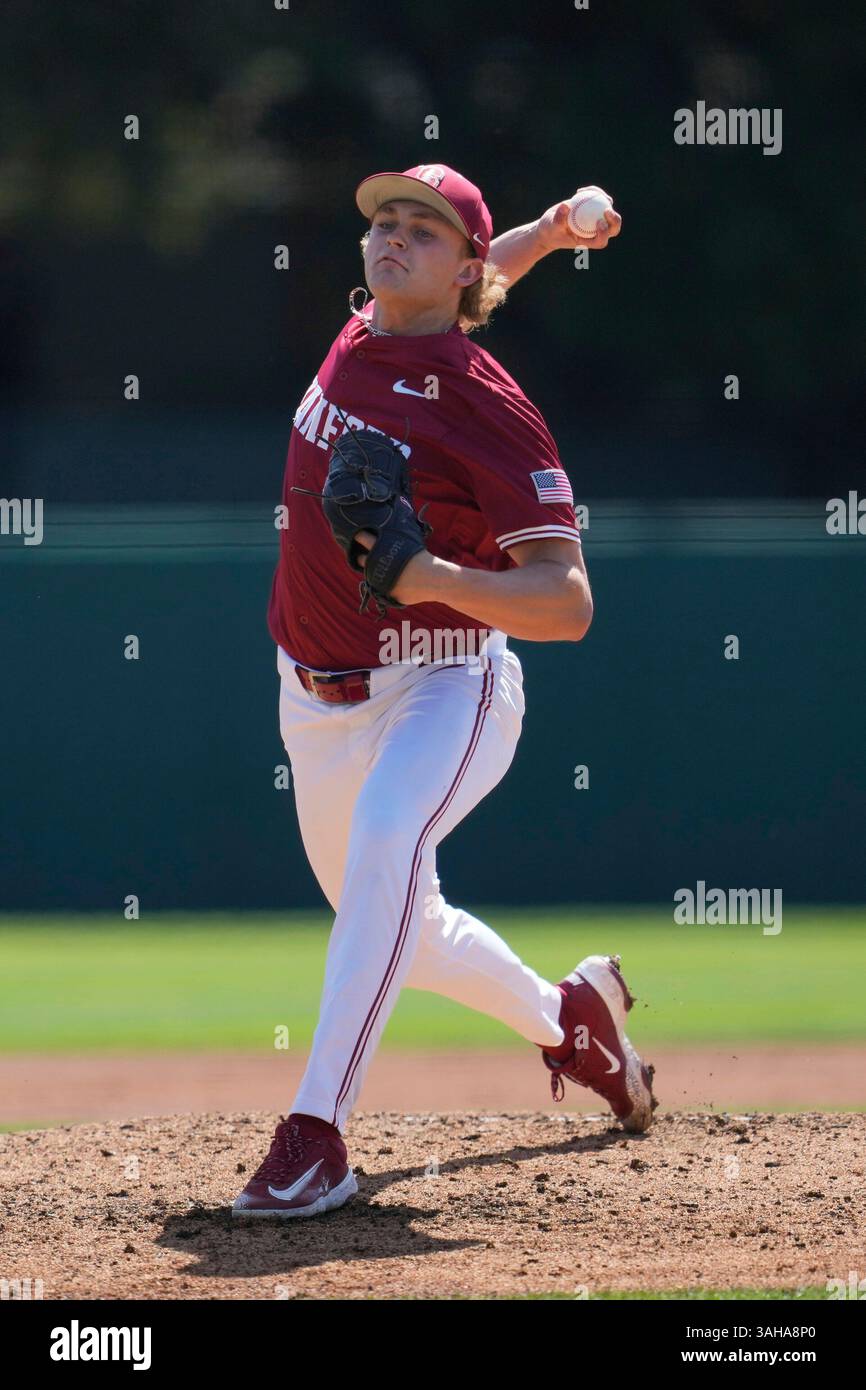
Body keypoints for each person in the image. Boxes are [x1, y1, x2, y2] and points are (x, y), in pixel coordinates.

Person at [233, 163, 655, 1220]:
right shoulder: (369, 328)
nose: (391, 237)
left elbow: (565, 602)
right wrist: (549, 235)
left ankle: (315, 1132)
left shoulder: (487, 405)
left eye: (421, 229)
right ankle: (572, 1022)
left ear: (454, 267)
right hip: (312, 696)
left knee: (386, 853)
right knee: (400, 926)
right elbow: (479, 273)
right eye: (383, 218)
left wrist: (426, 578)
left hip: (445, 683)